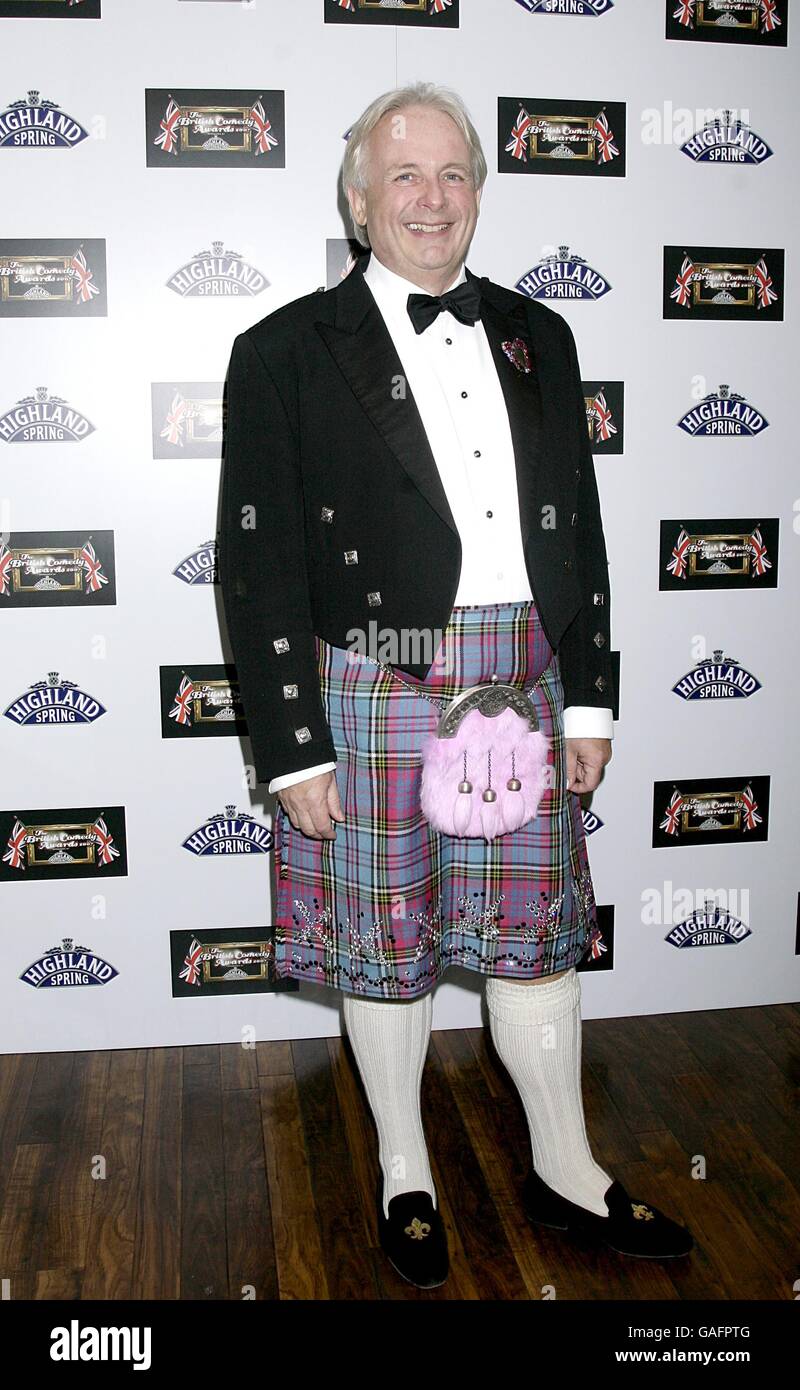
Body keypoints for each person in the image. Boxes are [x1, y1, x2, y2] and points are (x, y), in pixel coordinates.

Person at [219, 81, 693, 1289]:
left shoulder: (542, 334)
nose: (430, 200)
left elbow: (576, 531)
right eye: (404, 179)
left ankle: (568, 1165)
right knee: (389, 944)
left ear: (477, 189)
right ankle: (404, 1168)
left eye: (453, 175)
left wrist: (586, 696)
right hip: (374, 679)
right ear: (357, 200)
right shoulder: (279, 351)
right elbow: (259, 559)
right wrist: (292, 746)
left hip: (521, 678)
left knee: (536, 942)